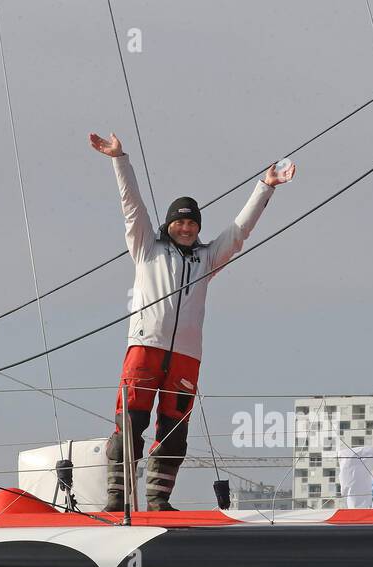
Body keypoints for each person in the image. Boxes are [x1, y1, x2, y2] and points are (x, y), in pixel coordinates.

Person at [89, 132, 295, 510]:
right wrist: (119, 159)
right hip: (145, 347)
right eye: (180, 223)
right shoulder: (147, 249)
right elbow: (131, 207)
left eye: (192, 224)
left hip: (186, 356)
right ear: (169, 225)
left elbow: (239, 233)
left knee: (174, 431)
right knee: (130, 424)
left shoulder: (206, 258)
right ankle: (117, 499)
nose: (186, 229)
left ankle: (157, 500)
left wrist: (266, 186)